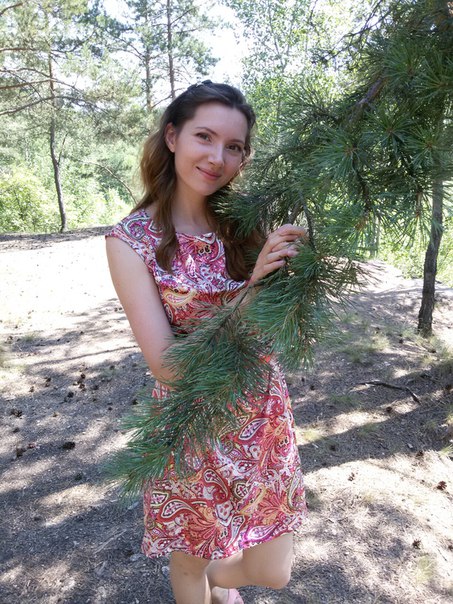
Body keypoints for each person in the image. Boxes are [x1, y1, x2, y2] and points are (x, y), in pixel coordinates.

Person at [106, 81, 307, 604]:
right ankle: (201, 583)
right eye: (204, 136)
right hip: (191, 422)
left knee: (273, 570)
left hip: (262, 416)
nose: (218, 157)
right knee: (191, 557)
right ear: (173, 136)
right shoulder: (131, 240)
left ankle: (219, 582)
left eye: (234, 146)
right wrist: (253, 288)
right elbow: (168, 366)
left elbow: (277, 319)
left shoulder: (247, 224)